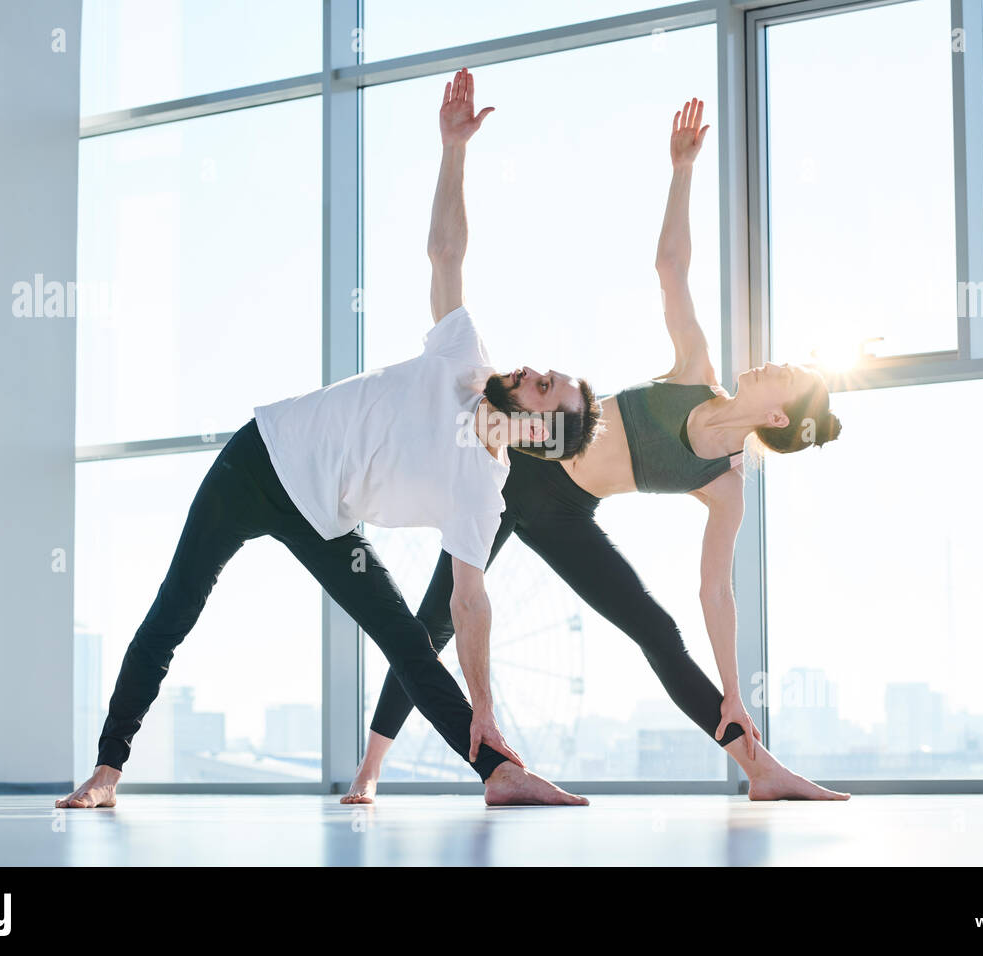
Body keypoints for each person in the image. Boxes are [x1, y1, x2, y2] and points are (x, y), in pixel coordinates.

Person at [58, 68, 603, 810]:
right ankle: (106, 773)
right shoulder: (463, 358)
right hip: (260, 459)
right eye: (547, 373)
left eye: (548, 389)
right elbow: (446, 255)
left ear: (539, 430)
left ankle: (499, 772)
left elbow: (469, 605)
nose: (536, 371)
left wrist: (485, 706)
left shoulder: (482, 491)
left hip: (326, 521)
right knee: (174, 610)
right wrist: (453, 151)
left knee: (409, 641)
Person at [345, 97, 850, 804]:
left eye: (784, 376)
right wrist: (681, 171)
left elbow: (715, 591)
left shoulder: (725, 485)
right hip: (511, 468)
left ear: (776, 414)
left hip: (565, 513)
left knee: (656, 628)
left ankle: (759, 769)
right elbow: (671, 268)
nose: (769, 364)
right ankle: (369, 771)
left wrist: (735, 690)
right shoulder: (694, 371)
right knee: (433, 622)